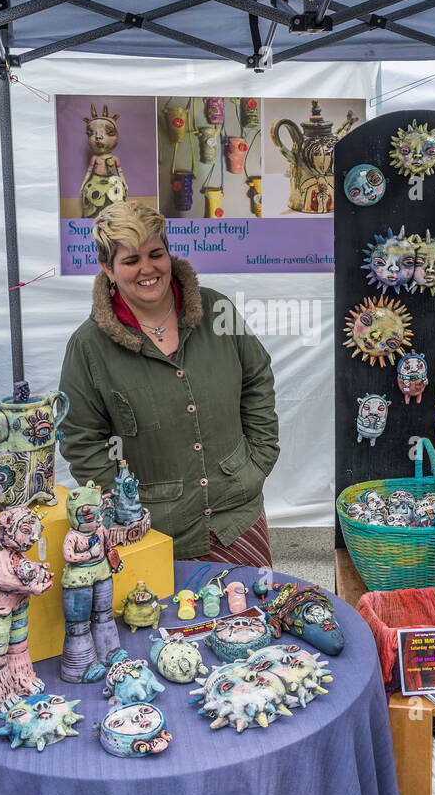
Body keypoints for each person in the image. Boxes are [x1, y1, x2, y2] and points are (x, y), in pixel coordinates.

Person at [58, 201, 279, 564]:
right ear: (107, 269)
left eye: (155, 254)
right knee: (168, 621)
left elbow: (257, 379)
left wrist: (258, 459)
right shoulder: (89, 347)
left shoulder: (217, 310)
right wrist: (125, 507)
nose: (147, 269)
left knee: (250, 617)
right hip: (153, 533)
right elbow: (81, 440)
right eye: (130, 261)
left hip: (237, 517)